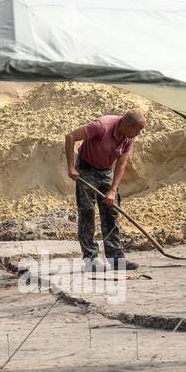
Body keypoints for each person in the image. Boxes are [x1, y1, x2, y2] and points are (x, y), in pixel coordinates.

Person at [64, 110, 146, 271]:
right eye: (138, 129)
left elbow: (121, 164)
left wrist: (113, 190)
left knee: (111, 211)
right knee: (87, 212)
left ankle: (116, 258)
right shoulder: (101, 126)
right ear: (128, 125)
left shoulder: (129, 137)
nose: (139, 133)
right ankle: (91, 260)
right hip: (85, 168)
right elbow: (70, 137)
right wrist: (71, 167)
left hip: (105, 170)